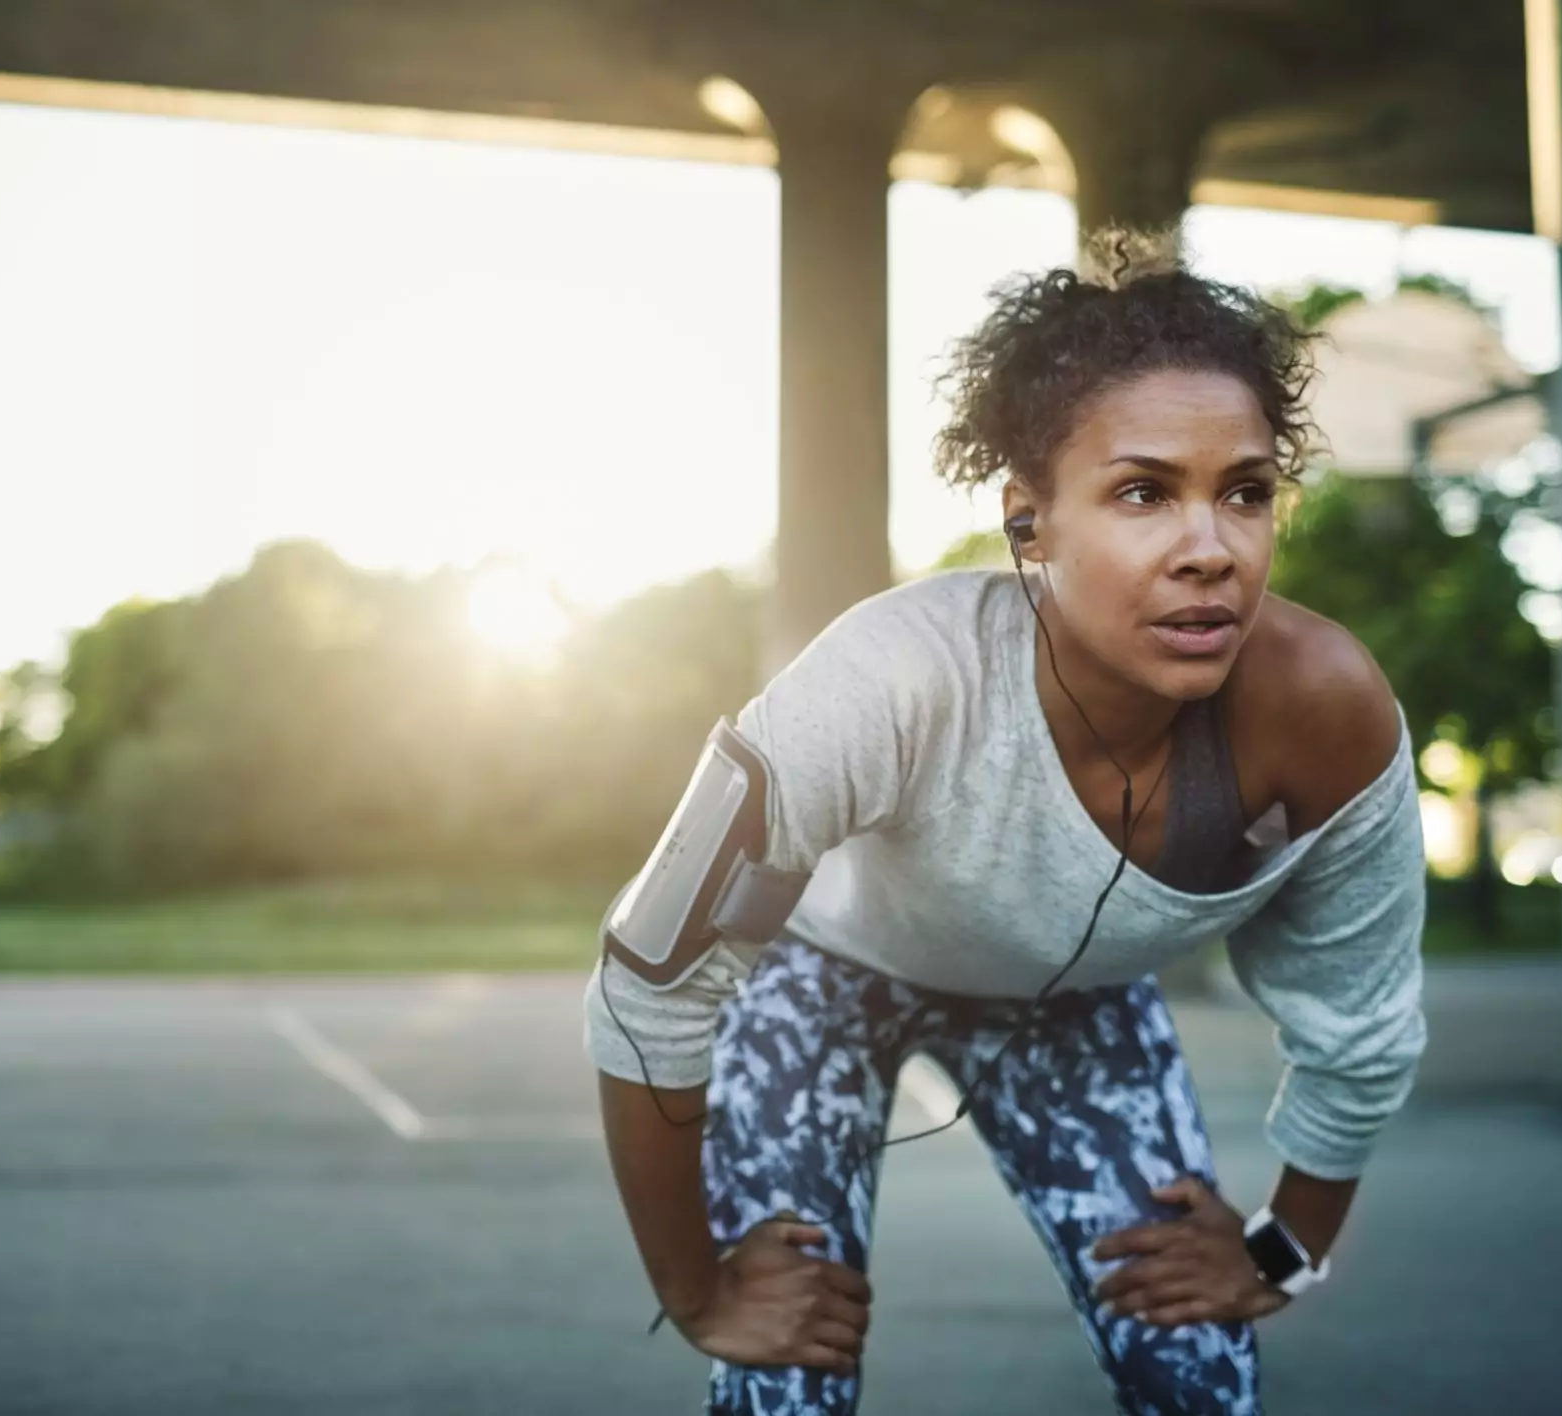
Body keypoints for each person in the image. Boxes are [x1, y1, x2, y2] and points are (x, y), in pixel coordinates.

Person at [583, 226, 1429, 1416]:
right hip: (827, 980)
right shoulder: (891, 679)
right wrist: (696, 1291)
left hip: (1071, 1010)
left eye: (1243, 493)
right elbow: (650, 976)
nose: (1209, 549)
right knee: (784, 1380)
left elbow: (1362, 1023)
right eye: (1143, 492)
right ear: (1031, 522)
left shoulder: (1324, 711)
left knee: (1198, 1371)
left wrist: (1282, 1247)